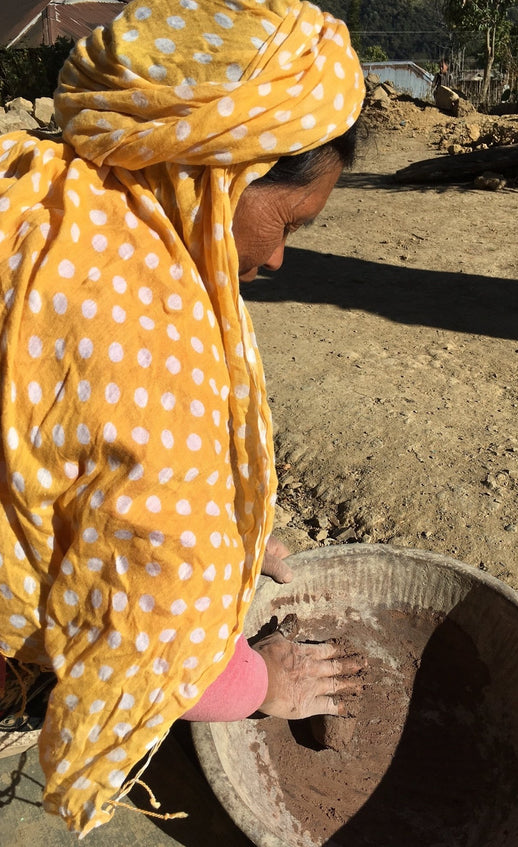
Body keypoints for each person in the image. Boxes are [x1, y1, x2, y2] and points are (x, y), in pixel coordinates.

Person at [0, 0, 364, 835]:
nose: (275, 258)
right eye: (288, 221)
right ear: (222, 170)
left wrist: (224, 529)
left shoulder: (36, 183)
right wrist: (266, 682)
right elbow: (154, 646)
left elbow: (80, 457)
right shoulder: (150, 346)